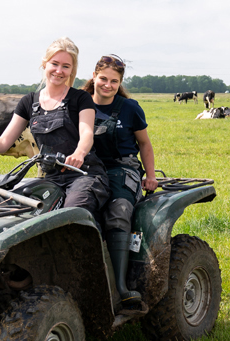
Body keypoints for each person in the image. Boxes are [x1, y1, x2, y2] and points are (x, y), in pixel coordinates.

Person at [0, 38, 138, 307]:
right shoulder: (29, 102)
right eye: (55, 64)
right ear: (45, 64)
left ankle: (98, 285)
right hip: (50, 177)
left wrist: (79, 152)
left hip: (84, 175)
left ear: (73, 70)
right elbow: (4, 142)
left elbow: (87, 133)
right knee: (14, 215)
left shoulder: (80, 99)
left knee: (71, 218)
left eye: (66, 66)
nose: (59, 71)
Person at [80, 54, 157, 309]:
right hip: (88, 169)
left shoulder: (130, 108)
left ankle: (121, 287)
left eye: (114, 81)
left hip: (122, 169)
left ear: (120, 83)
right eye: (103, 79)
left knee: (119, 210)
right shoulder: (80, 104)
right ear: (94, 76)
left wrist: (150, 176)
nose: (108, 85)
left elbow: (144, 144)